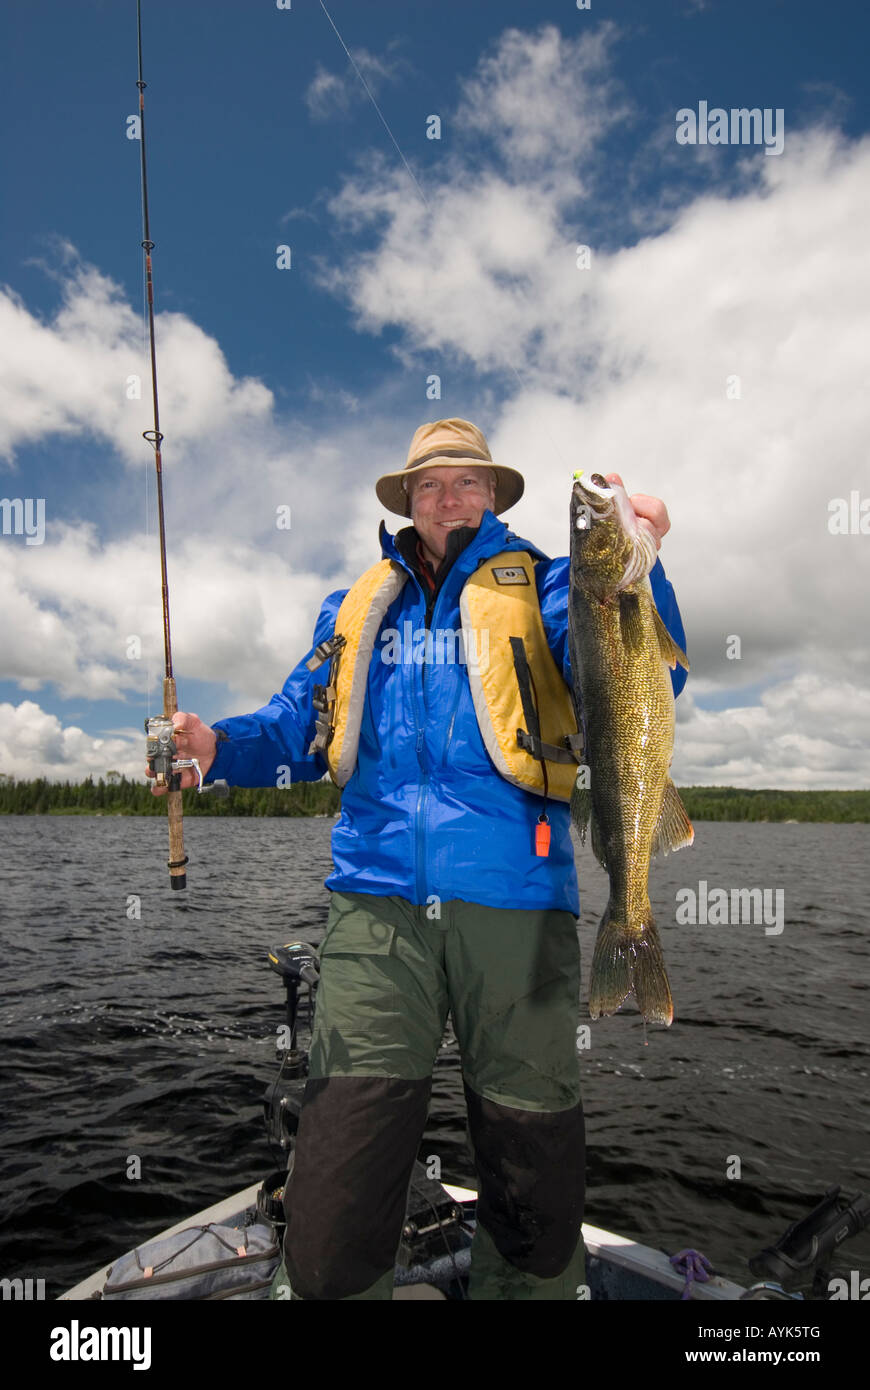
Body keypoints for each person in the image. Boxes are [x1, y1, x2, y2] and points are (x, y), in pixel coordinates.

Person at [149, 418, 686, 1300]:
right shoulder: (354, 606)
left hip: (514, 896)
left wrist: (647, 561)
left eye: (467, 481)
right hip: (375, 904)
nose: (448, 497)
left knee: (532, 1149)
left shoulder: (554, 585)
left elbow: (648, 682)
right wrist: (214, 744)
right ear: (408, 501)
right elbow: (294, 729)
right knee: (344, 1153)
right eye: (430, 484)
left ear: (493, 495)